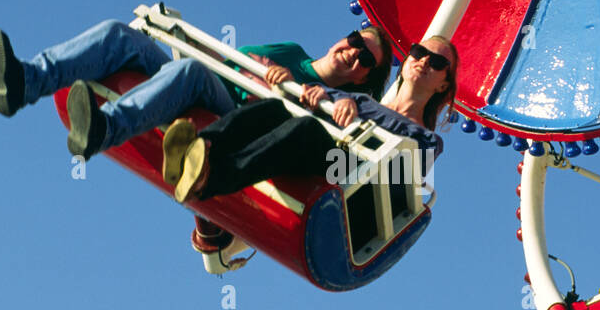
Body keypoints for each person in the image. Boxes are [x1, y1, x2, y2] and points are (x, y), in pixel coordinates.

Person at [0, 19, 392, 158]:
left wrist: (291, 90)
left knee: (190, 73)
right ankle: (24, 82)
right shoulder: (291, 49)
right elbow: (233, 61)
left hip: (230, 116)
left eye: (365, 60)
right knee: (118, 35)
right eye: (355, 41)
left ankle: (103, 130)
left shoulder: (335, 96)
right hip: (216, 80)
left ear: (364, 78)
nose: (353, 53)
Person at [169, 37, 459, 205]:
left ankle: (211, 180)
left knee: (305, 129)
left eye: (437, 63)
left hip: (352, 177)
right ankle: (201, 145)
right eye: (419, 53)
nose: (423, 61)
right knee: (277, 108)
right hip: (324, 152)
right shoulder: (362, 102)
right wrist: (337, 98)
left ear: (442, 85)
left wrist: (362, 128)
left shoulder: (428, 139)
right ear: (408, 59)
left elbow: (401, 183)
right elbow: (317, 94)